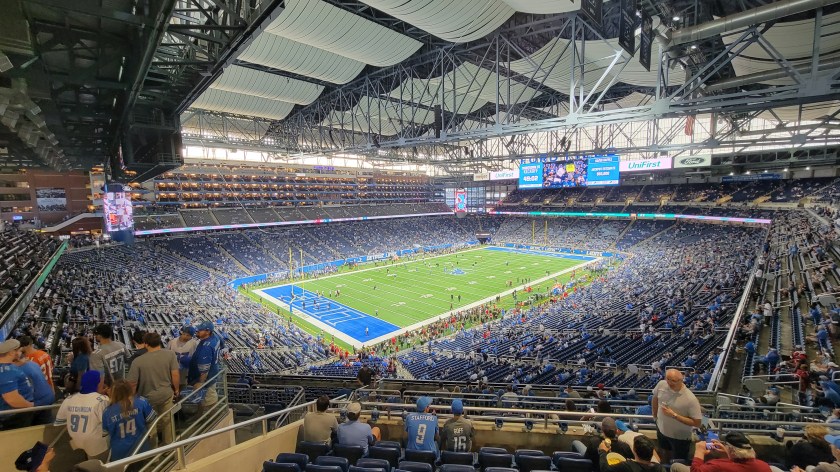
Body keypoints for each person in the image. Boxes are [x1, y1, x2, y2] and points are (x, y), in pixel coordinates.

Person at [127, 332, 179, 445]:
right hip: (166, 394)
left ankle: (153, 454)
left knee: (151, 425)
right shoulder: (170, 354)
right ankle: (168, 447)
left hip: (147, 398)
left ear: (145, 344)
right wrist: (176, 390)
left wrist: (131, 398)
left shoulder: (138, 361)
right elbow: (175, 375)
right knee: (167, 421)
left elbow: (132, 383)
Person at [55, 370, 110, 461]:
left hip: (76, 441)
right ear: (98, 383)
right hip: (96, 444)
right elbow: (109, 424)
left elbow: (59, 421)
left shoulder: (69, 399)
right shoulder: (102, 400)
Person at [652, 369, 703, 462]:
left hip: (680, 437)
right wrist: (655, 415)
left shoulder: (690, 399)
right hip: (661, 429)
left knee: (679, 460)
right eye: (668, 379)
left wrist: (674, 415)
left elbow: (697, 423)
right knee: (664, 454)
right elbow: (655, 398)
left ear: (681, 380)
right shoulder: (661, 384)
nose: (670, 382)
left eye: (674, 381)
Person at [103, 379, 156, 461]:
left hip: (119, 453)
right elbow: (152, 420)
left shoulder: (107, 412)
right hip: (140, 448)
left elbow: (105, 435)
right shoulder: (141, 402)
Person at [671, 431, 770, 472]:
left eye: (726, 445)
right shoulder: (764, 466)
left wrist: (699, 452)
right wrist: (727, 454)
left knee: (675, 466)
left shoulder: (717, 465)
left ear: (731, 450)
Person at [14, 348, 55, 426]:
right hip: (47, 399)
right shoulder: (33, 364)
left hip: (37, 403)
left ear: (15, 361)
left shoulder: (18, 371)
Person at [0, 339, 35, 430]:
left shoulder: (7, 366)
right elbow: (12, 399)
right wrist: (31, 406)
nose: (20, 352)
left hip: (18, 412)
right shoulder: (6, 371)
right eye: (18, 350)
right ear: (11, 352)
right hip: (15, 415)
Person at [188, 321, 222, 410]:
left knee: (207, 400)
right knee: (208, 397)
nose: (197, 331)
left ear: (207, 331)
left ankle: (209, 418)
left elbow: (204, 371)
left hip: (206, 378)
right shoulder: (214, 336)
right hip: (213, 372)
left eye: (200, 330)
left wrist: (200, 383)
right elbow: (222, 342)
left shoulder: (206, 347)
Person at [598, 434, 664, 472]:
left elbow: (605, 468)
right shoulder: (660, 468)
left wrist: (602, 451)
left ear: (634, 450)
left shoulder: (627, 466)